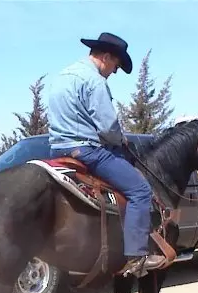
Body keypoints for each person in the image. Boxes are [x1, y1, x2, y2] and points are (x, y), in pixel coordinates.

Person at [47, 32, 166, 274]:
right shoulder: (95, 82)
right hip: (86, 151)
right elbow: (107, 127)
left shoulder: (63, 75)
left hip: (58, 148)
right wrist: (119, 138)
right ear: (106, 57)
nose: (114, 72)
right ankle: (136, 257)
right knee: (140, 190)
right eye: (116, 65)